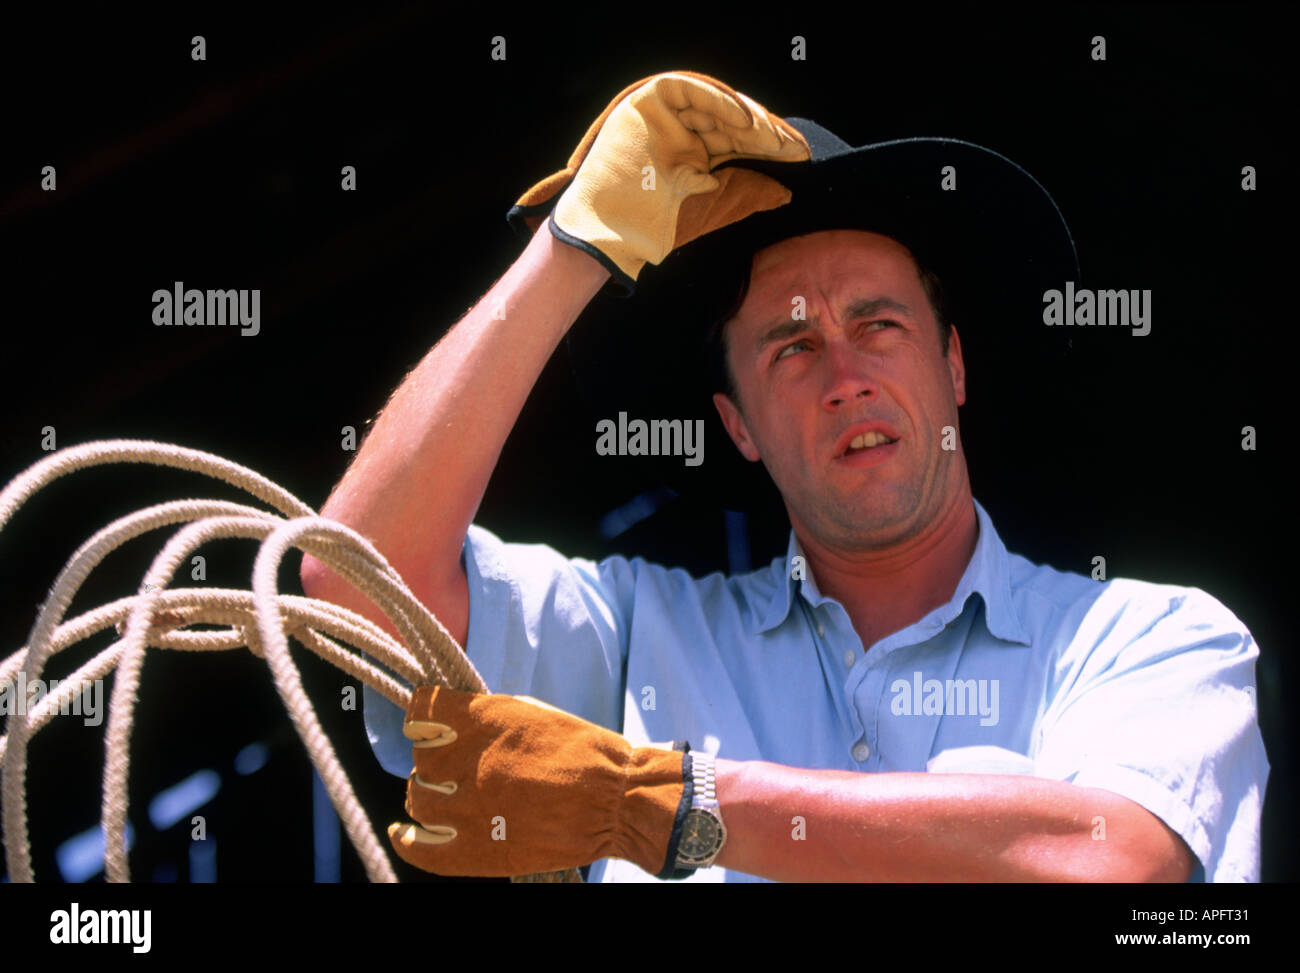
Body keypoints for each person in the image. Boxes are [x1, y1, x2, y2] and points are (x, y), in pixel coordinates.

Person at [300, 72, 1268, 883]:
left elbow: (1114, 859)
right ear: (738, 426)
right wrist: (571, 247)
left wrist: (660, 803)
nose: (846, 378)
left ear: (955, 367)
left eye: (878, 326)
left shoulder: (1156, 635)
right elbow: (353, 581)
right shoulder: (636, 638)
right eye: (790, 347)